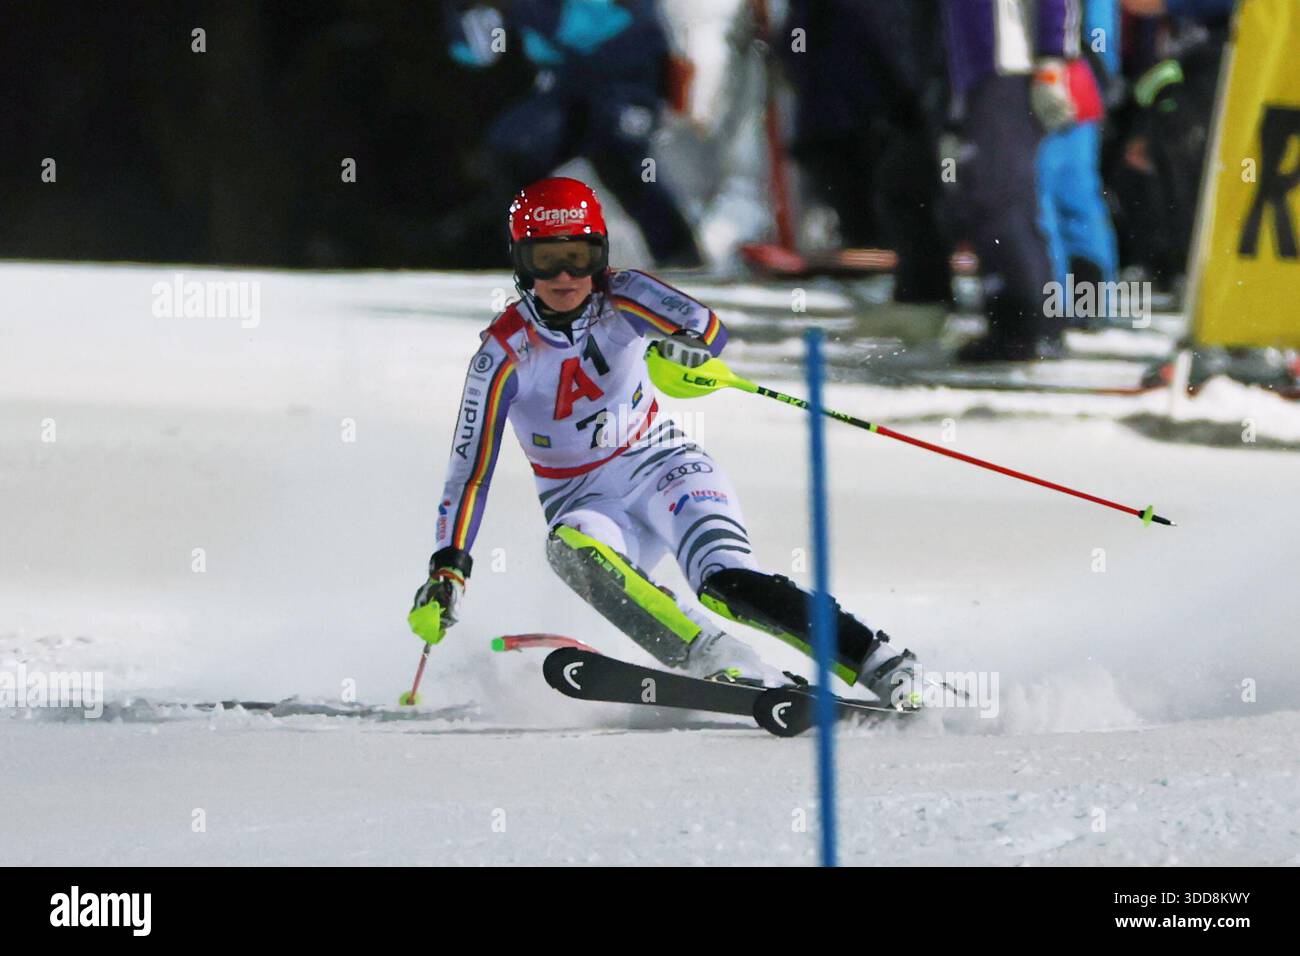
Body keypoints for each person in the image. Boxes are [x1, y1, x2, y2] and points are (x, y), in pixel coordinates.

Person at [409, 176, 924, 707]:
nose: (566, 276)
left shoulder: (625, 296)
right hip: (583, 499)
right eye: (547, 260)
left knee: (725, 582)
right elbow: (470, 470)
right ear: (521, 263)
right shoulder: (502, 355)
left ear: (600, 256)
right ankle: (716, 658)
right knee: (571, 548)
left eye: (580, 257)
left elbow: (708, 327)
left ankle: (884, 665)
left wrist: (690, 352)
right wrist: (448, 568)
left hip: (665, 467)